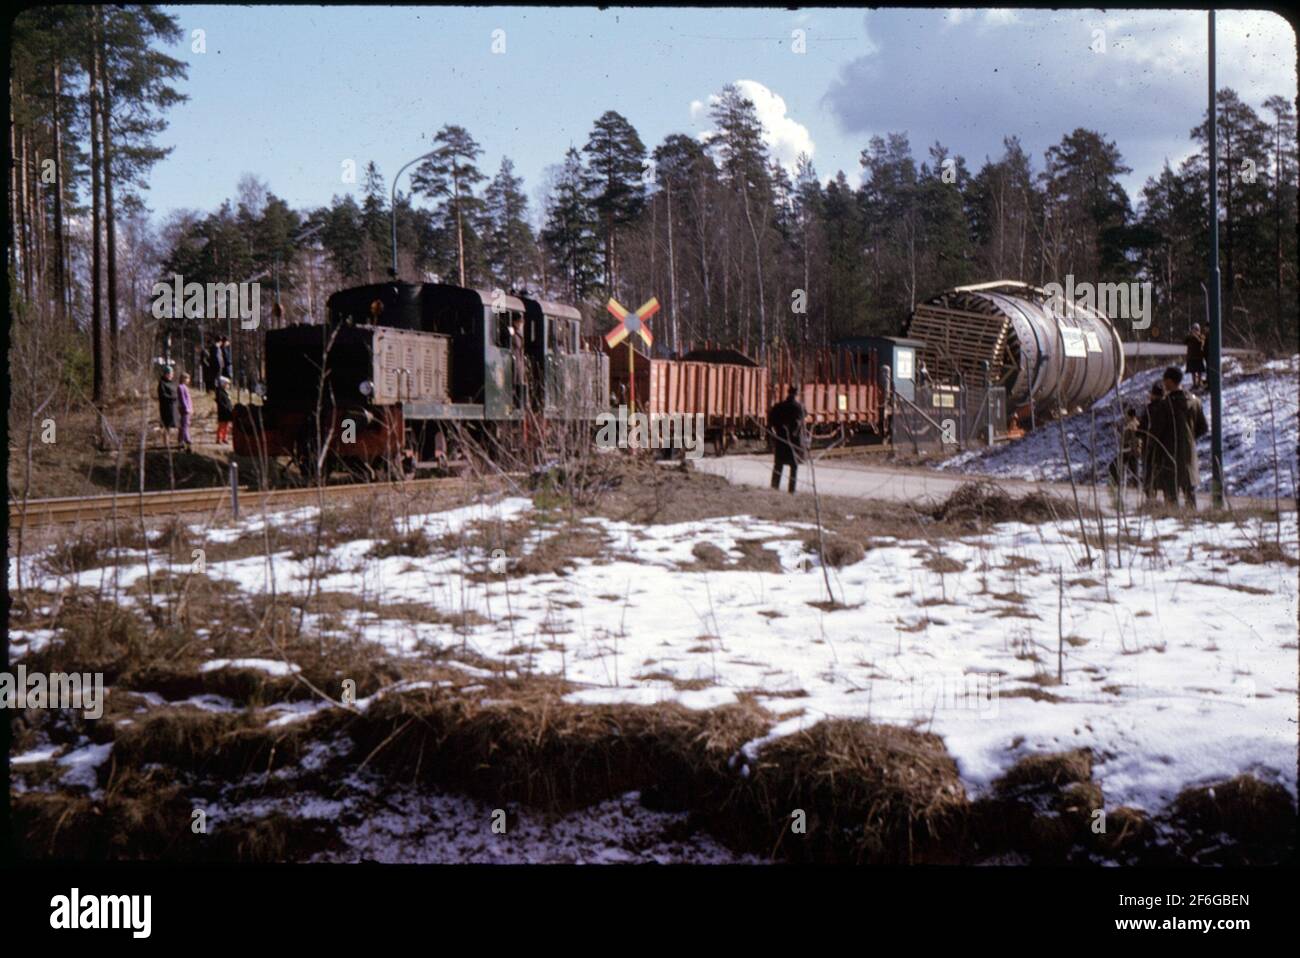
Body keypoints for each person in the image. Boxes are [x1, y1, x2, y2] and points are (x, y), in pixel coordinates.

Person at [1146, 366, 1209, 510]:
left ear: (1169, 381)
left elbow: (1156, 432)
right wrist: (1189, 439)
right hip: (1188, 455)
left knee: (1171, 495)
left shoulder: (1165, 405)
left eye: (1165, 380)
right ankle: (1192, 521)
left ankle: (1173, 519)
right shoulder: (1195, 402)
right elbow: (1203, 428)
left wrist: (1151, 448)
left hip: (1169, 455)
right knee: (1189, 492)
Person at [768, 386, 806, 494]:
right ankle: (791, 490)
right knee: (794, 467)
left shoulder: (778, 406)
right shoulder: (799, 407)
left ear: (788, 393)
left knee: (778, 465)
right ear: (797, 394)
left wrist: (775, 434)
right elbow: (801, 421)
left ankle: (774, 487)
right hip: (794, 441)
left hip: (781, 440)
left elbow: (770, 422)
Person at [1137, 382, 1163, 499]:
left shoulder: (1149, 409)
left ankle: (1150, 499)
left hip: (1149, 445)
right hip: (1164, 446)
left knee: (1148, 473)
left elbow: (1142, 428)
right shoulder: (1167, 407)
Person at [1108, 407, 1142, 487]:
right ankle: (1136, 487)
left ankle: (1117, 484)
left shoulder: (1132, 425)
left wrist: (1133, 451)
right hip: (1131, 452)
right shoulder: (1133, 424)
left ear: (1129, 416)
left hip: (1129, 452)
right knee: (1134, 472)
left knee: (1113, 466)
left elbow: (1134, 439)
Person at [157, 367, 179, 446]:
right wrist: (172, 397)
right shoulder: (162, 383)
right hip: (165, 407)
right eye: (169, 374)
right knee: (166, 425)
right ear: (166, 374)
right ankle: (165, 442)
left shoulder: (172, 383)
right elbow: (162, 395)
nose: (171, 375)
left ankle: (177, 440)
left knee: (174, 424)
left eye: (172, 374)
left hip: (173, 407)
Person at [1184, 323, 1207, 389]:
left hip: (1198, 357)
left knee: (1199, 371)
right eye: (1193, 329)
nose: (1194, 330)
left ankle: (1199, 383)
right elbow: (1184, 341)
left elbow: (1201, 343)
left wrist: (1196, 336)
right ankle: (1194, 384)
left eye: (1196, 329)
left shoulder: (1201, 336)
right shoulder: (1190, 337)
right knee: (1193, 371)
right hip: (1191, 357)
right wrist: (1190, 335)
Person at [177, 371, 194, 452]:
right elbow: (183, 399)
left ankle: (185, 440)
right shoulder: (180, 387)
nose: (189, 380)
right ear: (183, 379)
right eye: (187, 378)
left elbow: (189, 400)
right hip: (185, 409)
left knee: (186, 425)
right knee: (184, 425)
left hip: (188, 409)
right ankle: (184, 441)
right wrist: (187, 408)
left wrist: (191, 408)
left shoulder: (185, 387)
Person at [215, 376, 234, 444]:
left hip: (228, 412)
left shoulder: (225, 392)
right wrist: (225, 408)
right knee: (221, 425)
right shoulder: (219, 392)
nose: (228, 385)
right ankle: (219, 438)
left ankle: (225, 438)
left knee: (227, 426)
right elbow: (220, 402)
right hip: (222, 412)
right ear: (223, 384)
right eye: (227, 384)